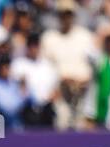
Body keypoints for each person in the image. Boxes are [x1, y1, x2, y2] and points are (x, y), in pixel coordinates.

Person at [41, 0, 96, 129]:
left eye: (68, 14)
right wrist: (60, 80)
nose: (65, 18)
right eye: (62, 14)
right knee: (62, 124)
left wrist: (84, 80)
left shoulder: (85, 36)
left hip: (82, 92)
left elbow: (93, 65)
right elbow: (45, 67)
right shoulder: (49, 37)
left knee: (82, 128)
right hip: (61, 93)